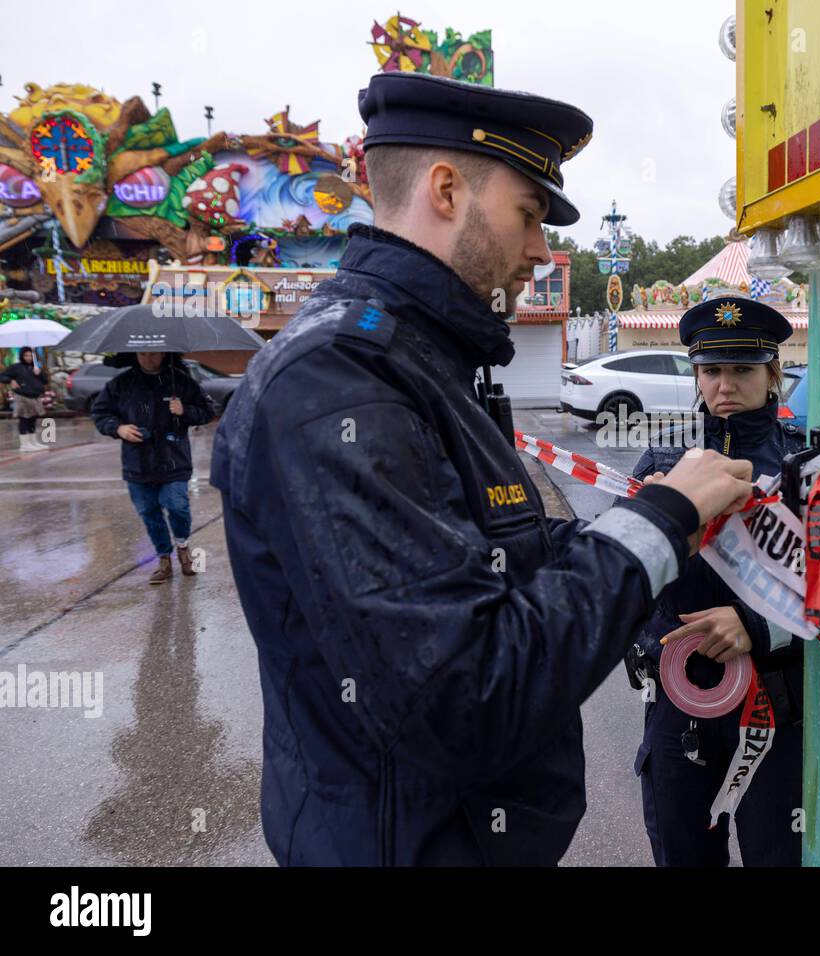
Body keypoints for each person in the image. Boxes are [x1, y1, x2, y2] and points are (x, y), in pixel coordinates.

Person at [209, 72, 754, 866]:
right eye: (529, 215)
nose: (541, 249)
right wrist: (658, 523)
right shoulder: (339, 381)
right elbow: (467, 696)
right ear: (444, 189)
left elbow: (497, 568)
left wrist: (657, 522)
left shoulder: (420, 361)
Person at [628, 295, 807, 867]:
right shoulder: (662, 460)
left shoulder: (805, 468)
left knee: (775, 857)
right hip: (678, 705)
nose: (725, 384)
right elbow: (627, 584)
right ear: (697, 375)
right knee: (682, 857)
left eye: (742, 369)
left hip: (771, 707)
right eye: (711, 370)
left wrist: (756, 625)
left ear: (772, 372)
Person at [91, 352, 215, 583]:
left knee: (176, 506)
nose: (148, 358)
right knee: (149, 512)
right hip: (137, 463)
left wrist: (185, 410)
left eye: (154, 353)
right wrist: (118, 428)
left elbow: (208, 410)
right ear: (134, 355)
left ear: (164, 354)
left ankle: (182, 546)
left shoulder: (180, 381)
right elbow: (100, 413)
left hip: (174, 459)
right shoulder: (121, 383)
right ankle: (164, 558)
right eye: (142, 353)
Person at [2, 347, 51, 453]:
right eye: (26, 355)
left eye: (30, 355)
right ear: (22, 356)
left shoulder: (36, 367)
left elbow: (46, 381)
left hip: (35, 396)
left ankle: (33, 442)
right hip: (23, 396)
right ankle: (25, 444)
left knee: (33, 419)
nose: (28, 358)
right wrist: (11, 380)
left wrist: (40, 373)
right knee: (24, 419)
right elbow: (3, 376)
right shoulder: (16, 367)